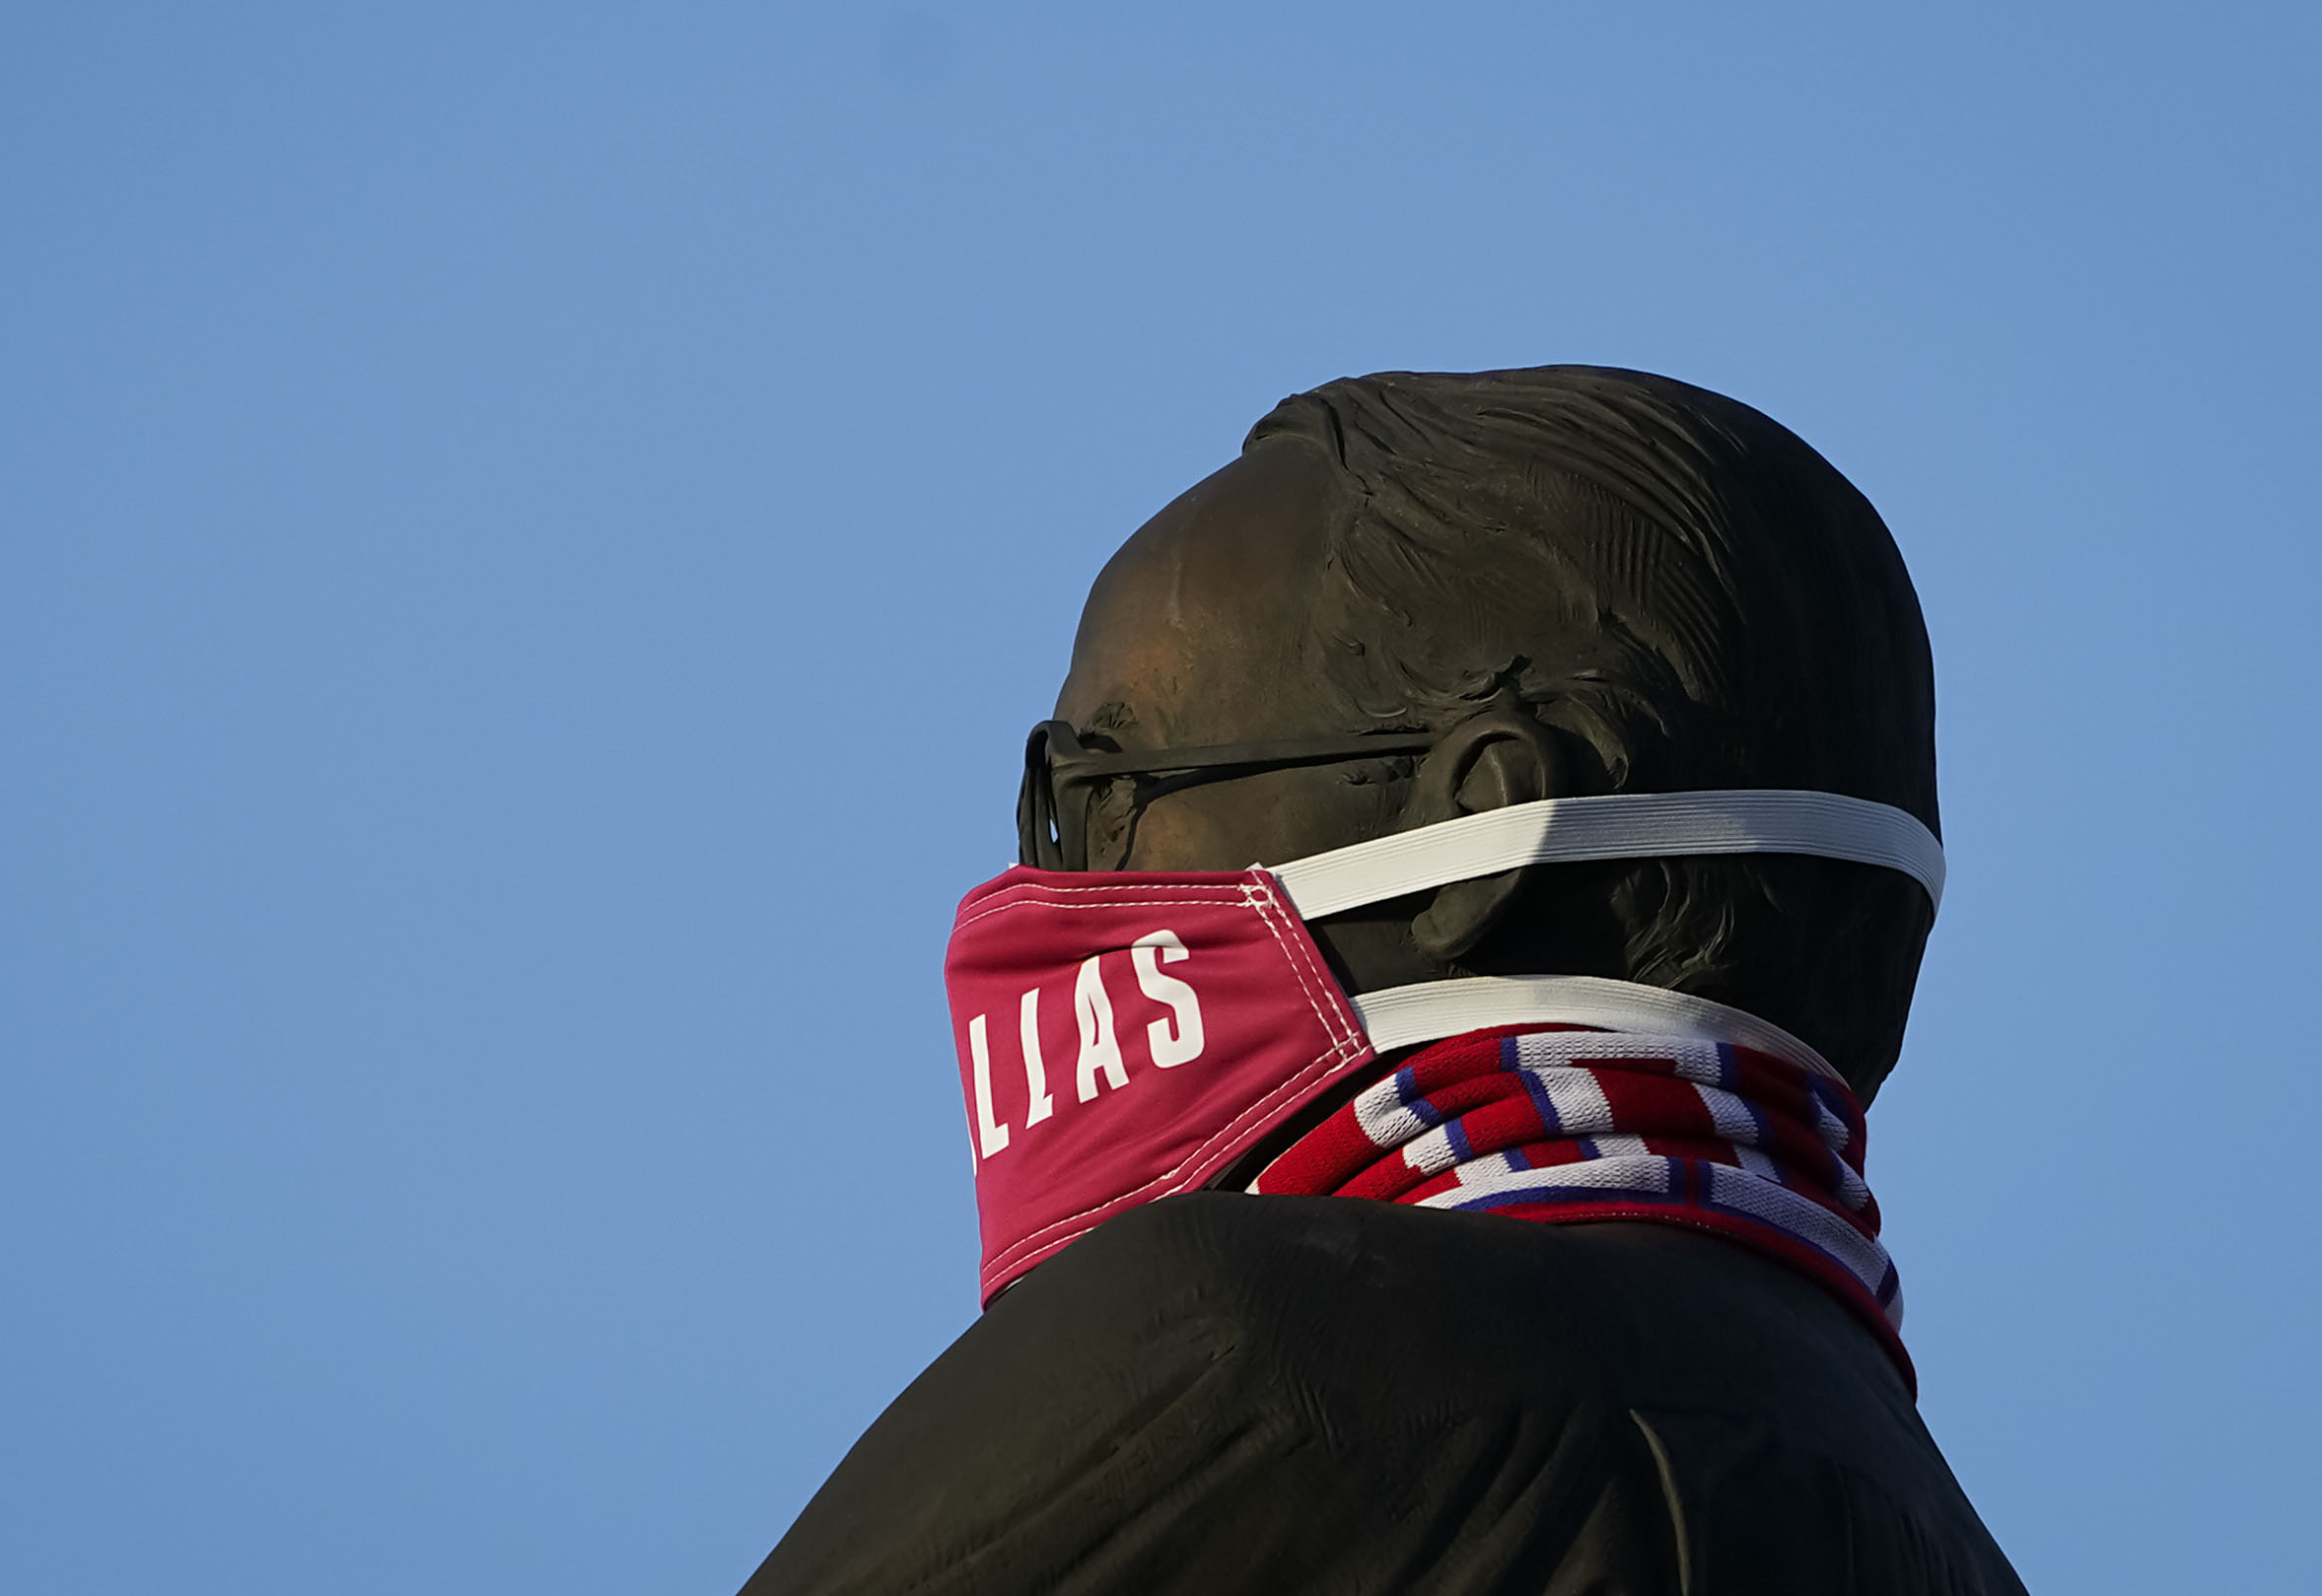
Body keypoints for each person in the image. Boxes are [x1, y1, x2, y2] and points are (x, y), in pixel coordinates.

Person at [742, 368, 2025, 1595]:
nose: (1050, 881)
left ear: (1475, 832)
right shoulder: (1939, 1527)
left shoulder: (1242, 1335)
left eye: (1099, 792)